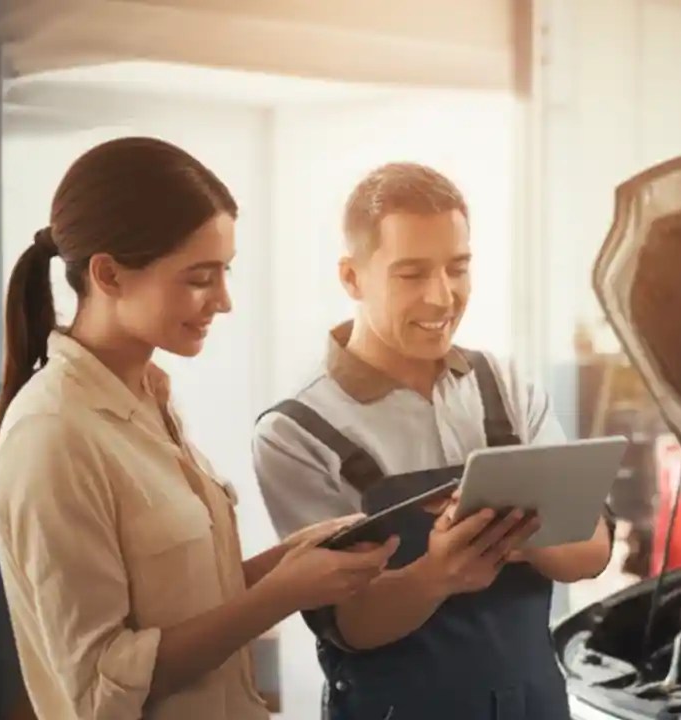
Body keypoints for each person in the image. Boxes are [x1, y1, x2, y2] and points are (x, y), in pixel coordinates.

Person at [0, 137, 399, 720]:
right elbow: (102, 689)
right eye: (200, 278)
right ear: (108, 274)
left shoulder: (150, 396)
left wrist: (287, 559)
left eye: (224, 272)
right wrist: (282, 594)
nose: (223, 301)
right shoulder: (52, 433)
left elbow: (185, 606)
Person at [252, 162, 613, 719]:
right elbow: (351, 624)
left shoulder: (506, 387)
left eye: (457, 268)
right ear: (351, 278)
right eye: (412, 274)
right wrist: (437, 574)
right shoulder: (296, 432)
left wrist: (511, 533)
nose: (443, 297)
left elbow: (592, 552)